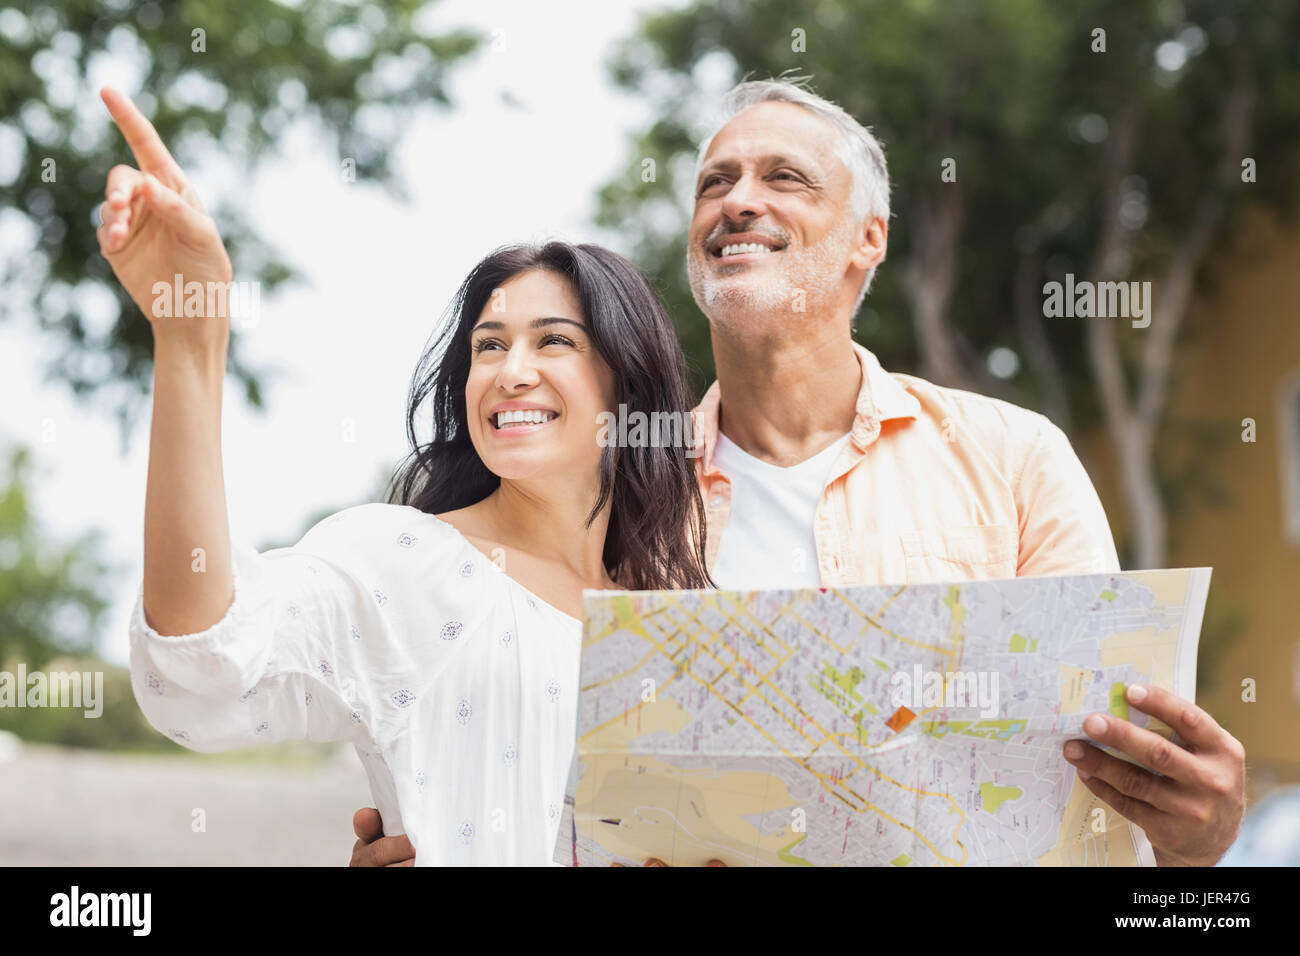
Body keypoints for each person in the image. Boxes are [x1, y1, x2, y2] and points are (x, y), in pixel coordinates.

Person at [353, 78, 1247, 868]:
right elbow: (529, 771)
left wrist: (1194, 844)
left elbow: (1105, 793)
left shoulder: (1015, 459)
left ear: (869, 239)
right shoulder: (612, 497)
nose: (739, 201)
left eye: (784, 178)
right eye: (716, 182)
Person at [97, 87, 711, 865]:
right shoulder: (409, 562)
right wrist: (190, 338)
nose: (511, 371)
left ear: (630, 383)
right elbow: (202, 668)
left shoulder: (676, 623)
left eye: (554, 341)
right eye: (488, 347)